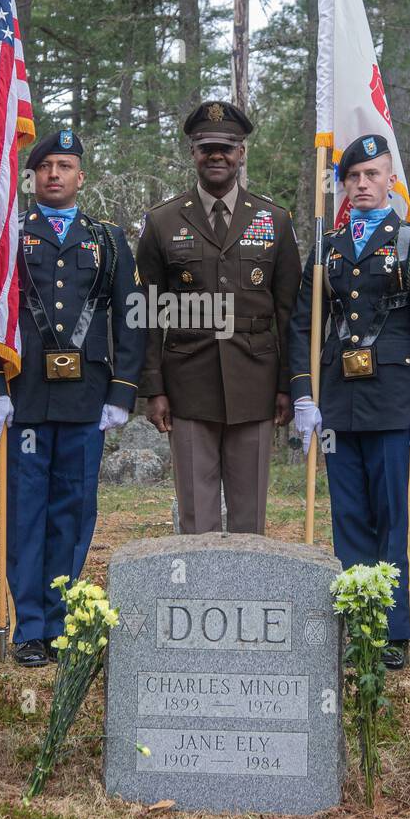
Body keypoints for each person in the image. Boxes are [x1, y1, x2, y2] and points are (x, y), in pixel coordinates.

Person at [0, 128, 145, 666]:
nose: (54, 175)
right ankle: (28, 625)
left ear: (80, 176)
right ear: (32, 176)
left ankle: (63, 619)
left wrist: (123, 389)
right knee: (27, 511)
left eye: (65, 166)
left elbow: (132, 317)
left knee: (74, 509)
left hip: (88, 395)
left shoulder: (109, 239)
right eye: (45, 167)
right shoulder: (7, 236)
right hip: (26, 395)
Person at [288, 134, 410, 669]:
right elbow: (302, 326)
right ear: (343, 184)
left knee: (394, 515)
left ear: (390, 180)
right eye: (353, 177)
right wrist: (303, 394)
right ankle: (358, 619)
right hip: (339, 403)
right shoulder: (326, 247)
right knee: (350, 517)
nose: (361, 184)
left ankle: (395, 627)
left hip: (396, 405)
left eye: (372, 175)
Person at [136, 100, 302, 534]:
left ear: (241, 152)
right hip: (188, 382)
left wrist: (289, 384)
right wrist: (153, 388)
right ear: (192, 152)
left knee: (251, 520)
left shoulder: (275, 221)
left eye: (225, 148)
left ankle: (247, 599)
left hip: (256, 380)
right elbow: (149, 312)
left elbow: (289, 313)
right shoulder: (162, 222)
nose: (216, 155)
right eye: (206, 147)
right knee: (197, 519)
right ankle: (197, 599)